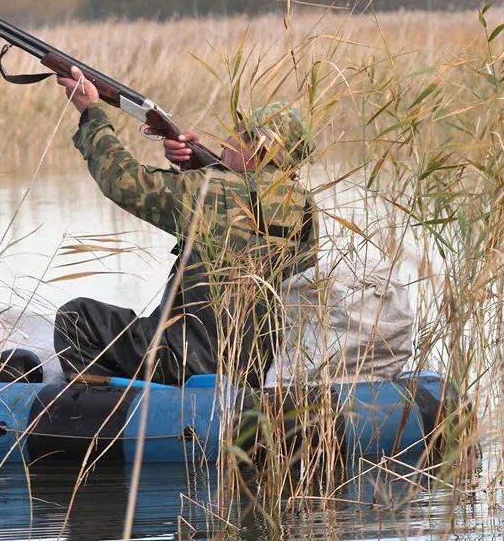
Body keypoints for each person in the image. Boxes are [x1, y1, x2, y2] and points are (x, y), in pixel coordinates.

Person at [52, 66, 317, 387]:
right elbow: (244, 212)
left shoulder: (212, 191)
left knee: (78, 319)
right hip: (255, 367)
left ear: (256, 147)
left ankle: (102, 418)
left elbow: (122, 181)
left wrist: (90, 112)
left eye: (237, 133)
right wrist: (194, 166)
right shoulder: (303, 207)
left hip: (185, 362)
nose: (228, 141)